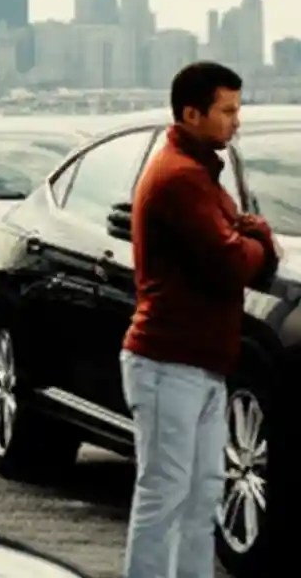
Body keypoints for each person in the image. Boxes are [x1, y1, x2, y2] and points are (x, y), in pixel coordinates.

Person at [121, 61, 279, 578]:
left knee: (201, 494)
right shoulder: (181, 178)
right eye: (227, 110)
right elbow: (232, 260)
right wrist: (262, 242)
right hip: (169, 361)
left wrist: (249, 236)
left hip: (201, 361)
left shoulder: (199, 171)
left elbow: (236, 240)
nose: (237, 121)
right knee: (165, 493)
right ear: (192, 113)